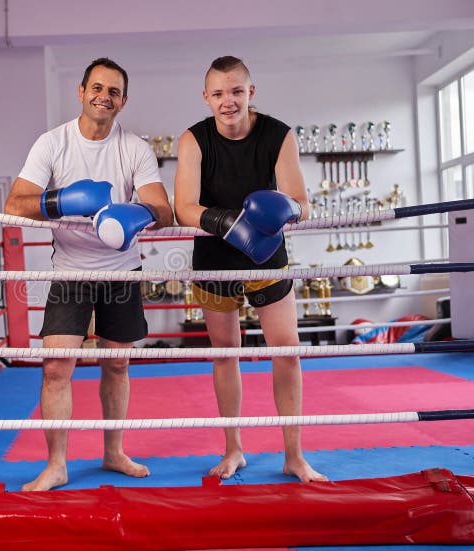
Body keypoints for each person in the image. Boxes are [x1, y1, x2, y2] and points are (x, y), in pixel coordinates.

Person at [4, 57, 173, 491]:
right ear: (81, 92)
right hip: (71, 273)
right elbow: (16, 203)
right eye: (97, 88)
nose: (104, 97)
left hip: (122, 272)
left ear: (124, 101)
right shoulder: (52, 143)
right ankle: (57, 464)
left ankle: (114, 452)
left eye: (114, 91)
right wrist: (63, 201)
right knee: (56, 368)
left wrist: (131, 212)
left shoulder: (134, 147)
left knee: (116, 366)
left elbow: (163, 210)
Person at [173, 55, 327, 483]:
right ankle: (234, 449)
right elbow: (182, 207)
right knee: (226, 356)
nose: (228, 102)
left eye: (236, 91)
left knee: (287, 352)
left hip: (267, 252)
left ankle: (294, 456)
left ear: (250, 92)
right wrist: (228, 223)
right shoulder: (193, 140)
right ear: (206, 98)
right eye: (219, 94)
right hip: (216, 254)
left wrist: (286, 208)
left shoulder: (278, 135)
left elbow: (302, 202)